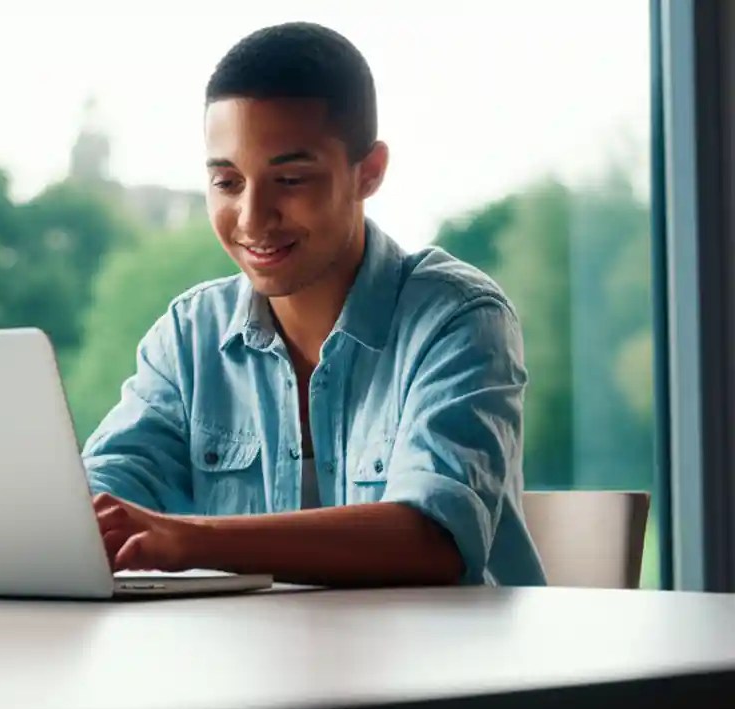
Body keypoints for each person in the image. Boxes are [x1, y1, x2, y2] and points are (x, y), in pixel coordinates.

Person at [85, 22, 546, 587]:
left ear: (369, 173)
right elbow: (102, 497)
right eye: (228, 183)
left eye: (292, 179)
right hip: (253, 668)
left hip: (448, 666)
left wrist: (193, 539)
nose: (253, 219)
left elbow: (435, 540)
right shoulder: (189, 337)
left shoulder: (458, 318)